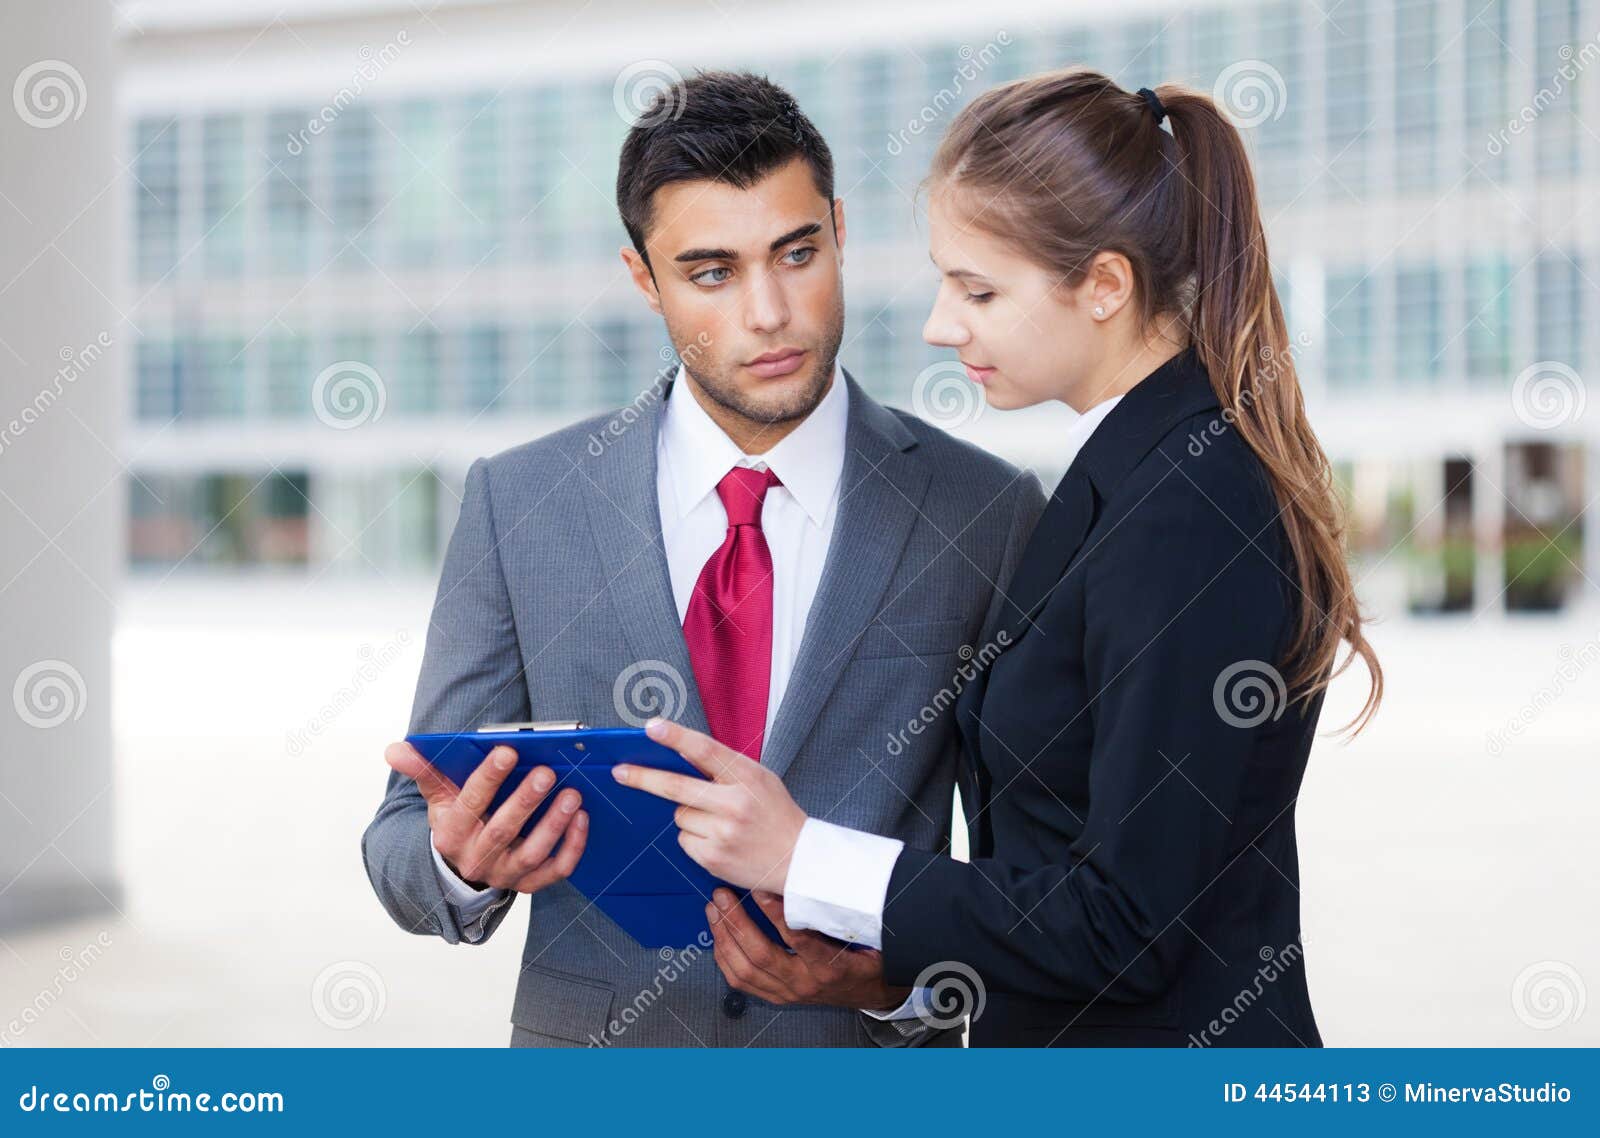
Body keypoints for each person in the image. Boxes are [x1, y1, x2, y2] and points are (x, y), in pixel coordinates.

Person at [619, 69, 1384, 1047]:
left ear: (1104, 286)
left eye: (978, 290)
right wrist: (878, 972)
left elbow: (1126, 923)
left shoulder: (1184, 509)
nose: (941, 325)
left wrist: (805, 854)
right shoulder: (1123, 478)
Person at [360, 70, 1046, 1048]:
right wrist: (461, 860)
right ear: (645, 280)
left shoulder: (985, 512)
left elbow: (1034, 886)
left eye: (796, 254)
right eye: (712, 273)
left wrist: (895, 985)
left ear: (839, 232)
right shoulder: (522, 502)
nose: (768, 312)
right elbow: (401, 833)